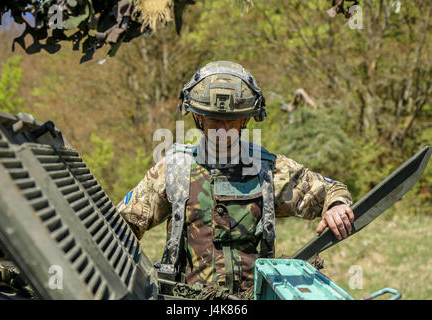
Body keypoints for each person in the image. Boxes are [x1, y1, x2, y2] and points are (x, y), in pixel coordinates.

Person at [116, 61, 354, 295]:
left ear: (245, 120)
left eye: (230, 121)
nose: (222, 129)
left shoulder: (268, 170)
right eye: (213, 120)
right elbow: (122, 225)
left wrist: (335, 205)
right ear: (199, 118)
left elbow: (329, 190)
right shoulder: (174, 170)